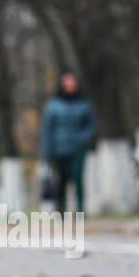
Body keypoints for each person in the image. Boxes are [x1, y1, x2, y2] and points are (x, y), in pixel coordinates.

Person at [40, 72, 96, 213]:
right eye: (67, 84)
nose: (70, 87)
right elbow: (48, 129)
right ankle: (61, 210)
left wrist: (83, 139)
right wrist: (47, 151)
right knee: (61, 180)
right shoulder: (54, 106)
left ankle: (80, 209)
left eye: (73, 85)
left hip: (78, 148)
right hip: (59, 149)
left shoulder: (83, 104)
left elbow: (90, 125)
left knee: (78, 178)